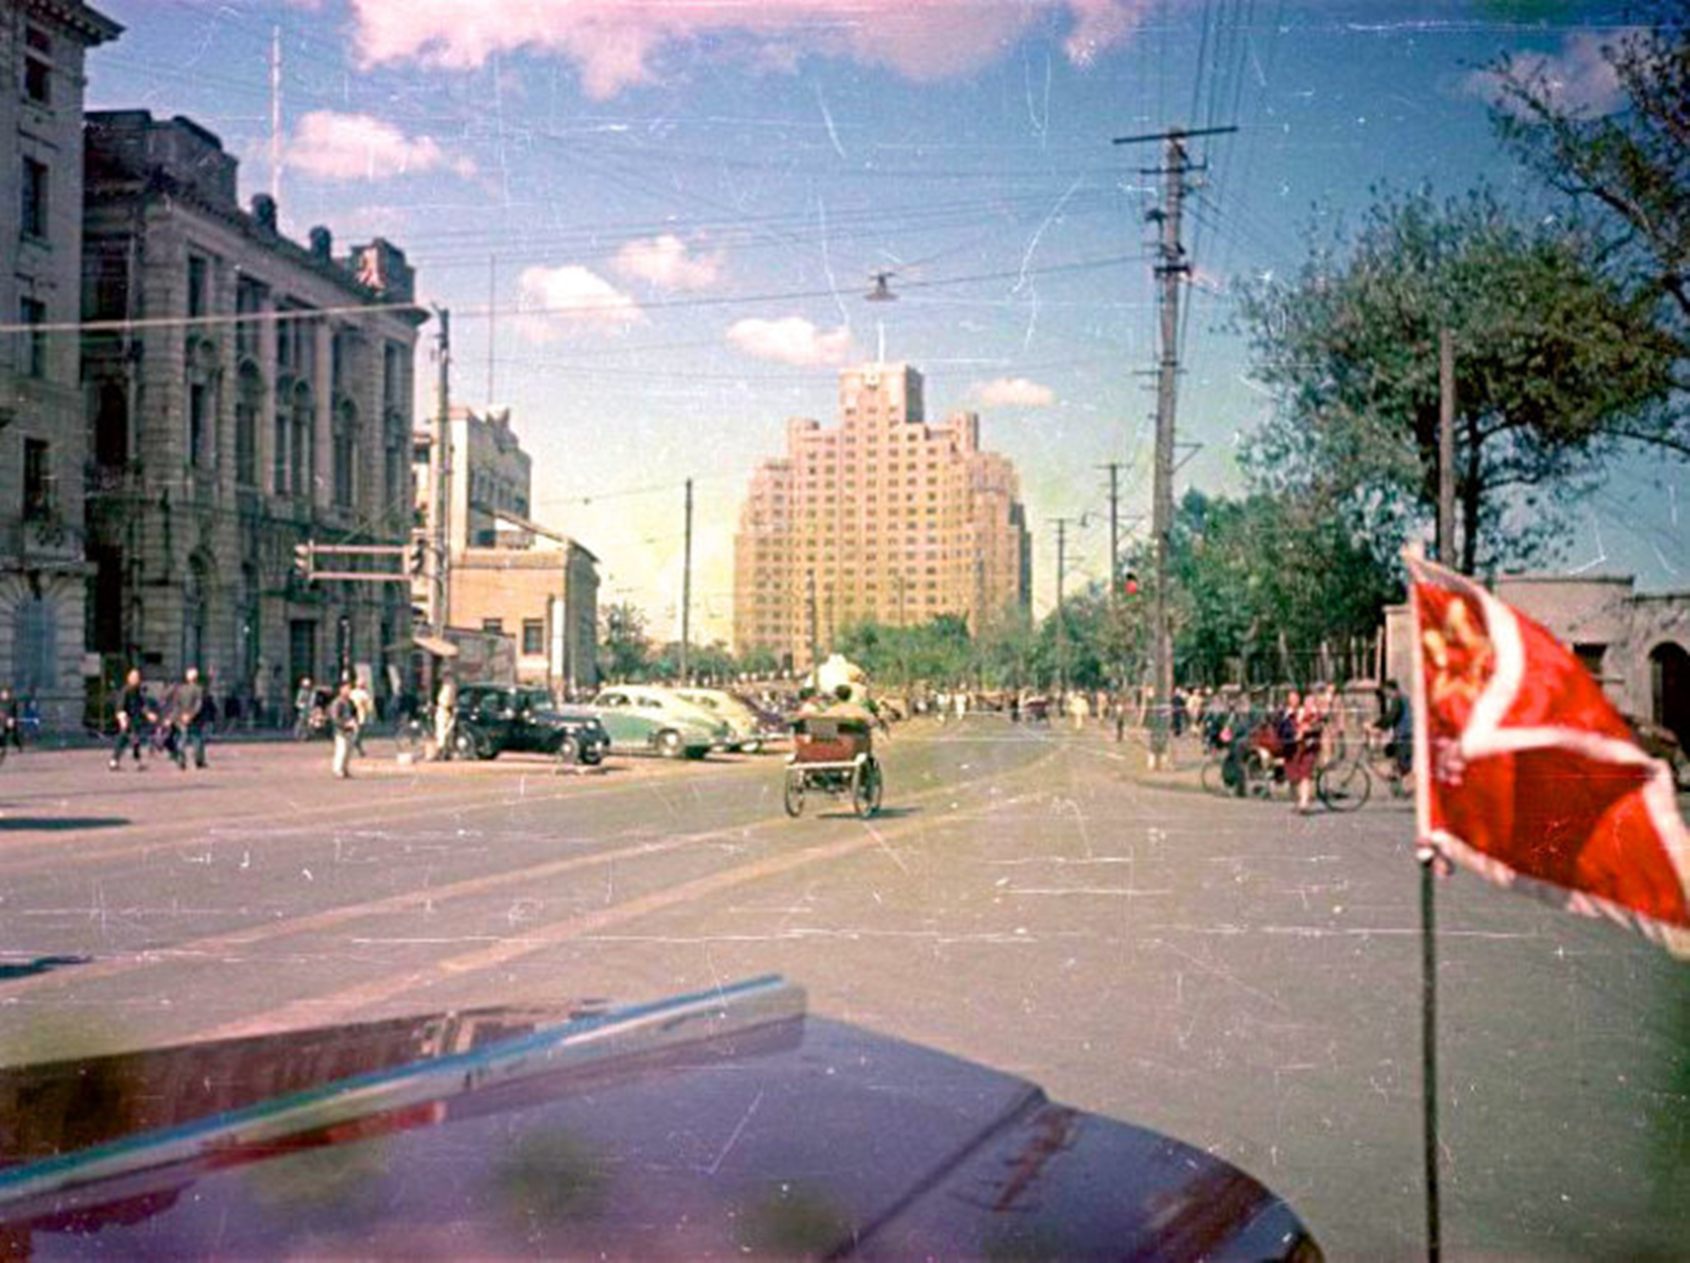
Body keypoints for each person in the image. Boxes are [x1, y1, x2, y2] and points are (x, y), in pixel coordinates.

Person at [110, 668, 151, 770]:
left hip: (134, 720)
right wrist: (122, 719)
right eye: (135, 677)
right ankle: (115, 761)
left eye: (138, 677)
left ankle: (135, 762)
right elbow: (120, 706)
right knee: (124, 741)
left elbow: (141, 705)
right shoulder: (126, 690)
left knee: (133, 741)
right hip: (128, 720)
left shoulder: (137, 690)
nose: (137, 679)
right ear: (129, 678)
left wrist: (148, 714)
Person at [172, 667, 209, 770]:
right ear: (196, 678)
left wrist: (178, 716)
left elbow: (176, 704)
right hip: (194, 719)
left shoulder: (180, 689)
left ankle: (181, 761)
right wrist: (191, 715)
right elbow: (198, 705)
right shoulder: (199, 689)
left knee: (182, 740)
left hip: (181, 718)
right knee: (196, 739)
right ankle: (198, 761)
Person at [328, 679, 359, 778]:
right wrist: (344, 724)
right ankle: (338, 769)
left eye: (350, 688)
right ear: (341, 690)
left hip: (350, 729)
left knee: (348, 751)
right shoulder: (337, 702)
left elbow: (355, 713)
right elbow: (335, 717)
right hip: (340, 730)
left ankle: (345, 768)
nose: (349, 690)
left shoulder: (350, 702)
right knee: (342, 750)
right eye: (347, 688)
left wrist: (355, 721)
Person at [433, 672, 457, 759]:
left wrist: (447, 708)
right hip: (444, 709)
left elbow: (448, 700)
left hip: (444, 710)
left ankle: (441, 751)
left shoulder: (449, 686)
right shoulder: (448, 686)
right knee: (444, 732)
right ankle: (444, 751)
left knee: (442, 731)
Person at [349, 675, 374, 756]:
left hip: (352, 715)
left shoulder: (352, 692)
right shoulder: (364, 694)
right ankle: (354, 749)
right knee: (357, 734)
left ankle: (360, 751)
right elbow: (369, 707)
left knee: (356, 734)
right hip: (360, 716)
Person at [0, 686, 21, 755]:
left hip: (11, 720)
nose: (3, 695)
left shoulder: (12, 702)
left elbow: (14, 712)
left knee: (13, 736)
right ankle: (3, 748)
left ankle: (18, 746)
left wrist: (12, 719)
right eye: (2, 693)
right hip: (3, 722)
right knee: (2, 734)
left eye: (5, 693)